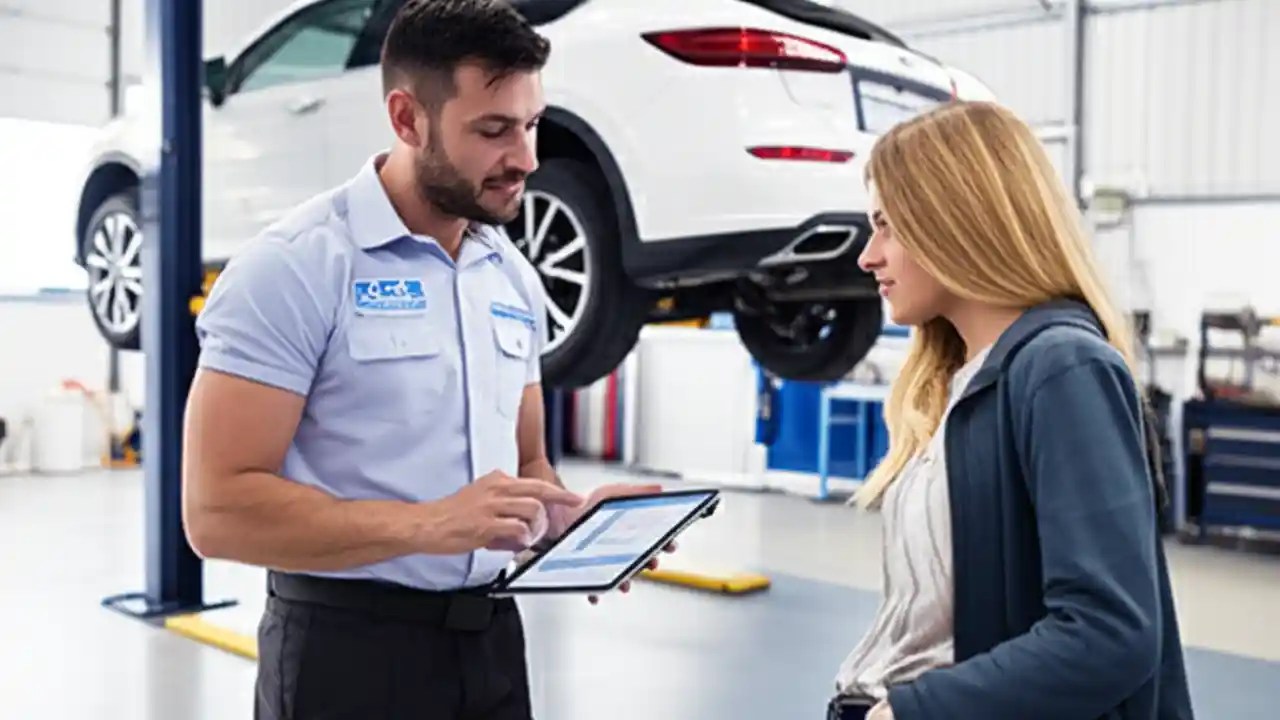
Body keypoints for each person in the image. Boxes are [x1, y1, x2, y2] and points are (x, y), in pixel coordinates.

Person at [182, 1, 665, 718]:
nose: (527, 158)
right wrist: (429, 525)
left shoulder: (512, 278)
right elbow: (217, 510)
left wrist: (569, 521)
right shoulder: (295, 268)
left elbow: (526, 467)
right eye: (494, 130)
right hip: (344, 655)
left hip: (494, 646)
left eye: (531, 125)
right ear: (408, 118)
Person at [826, 101, 1194, 720]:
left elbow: (1108, 633)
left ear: (954, 217)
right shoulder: (962, 384)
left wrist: (915, 712)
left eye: (887, 224)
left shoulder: (1061, 370)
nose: (868, 255)